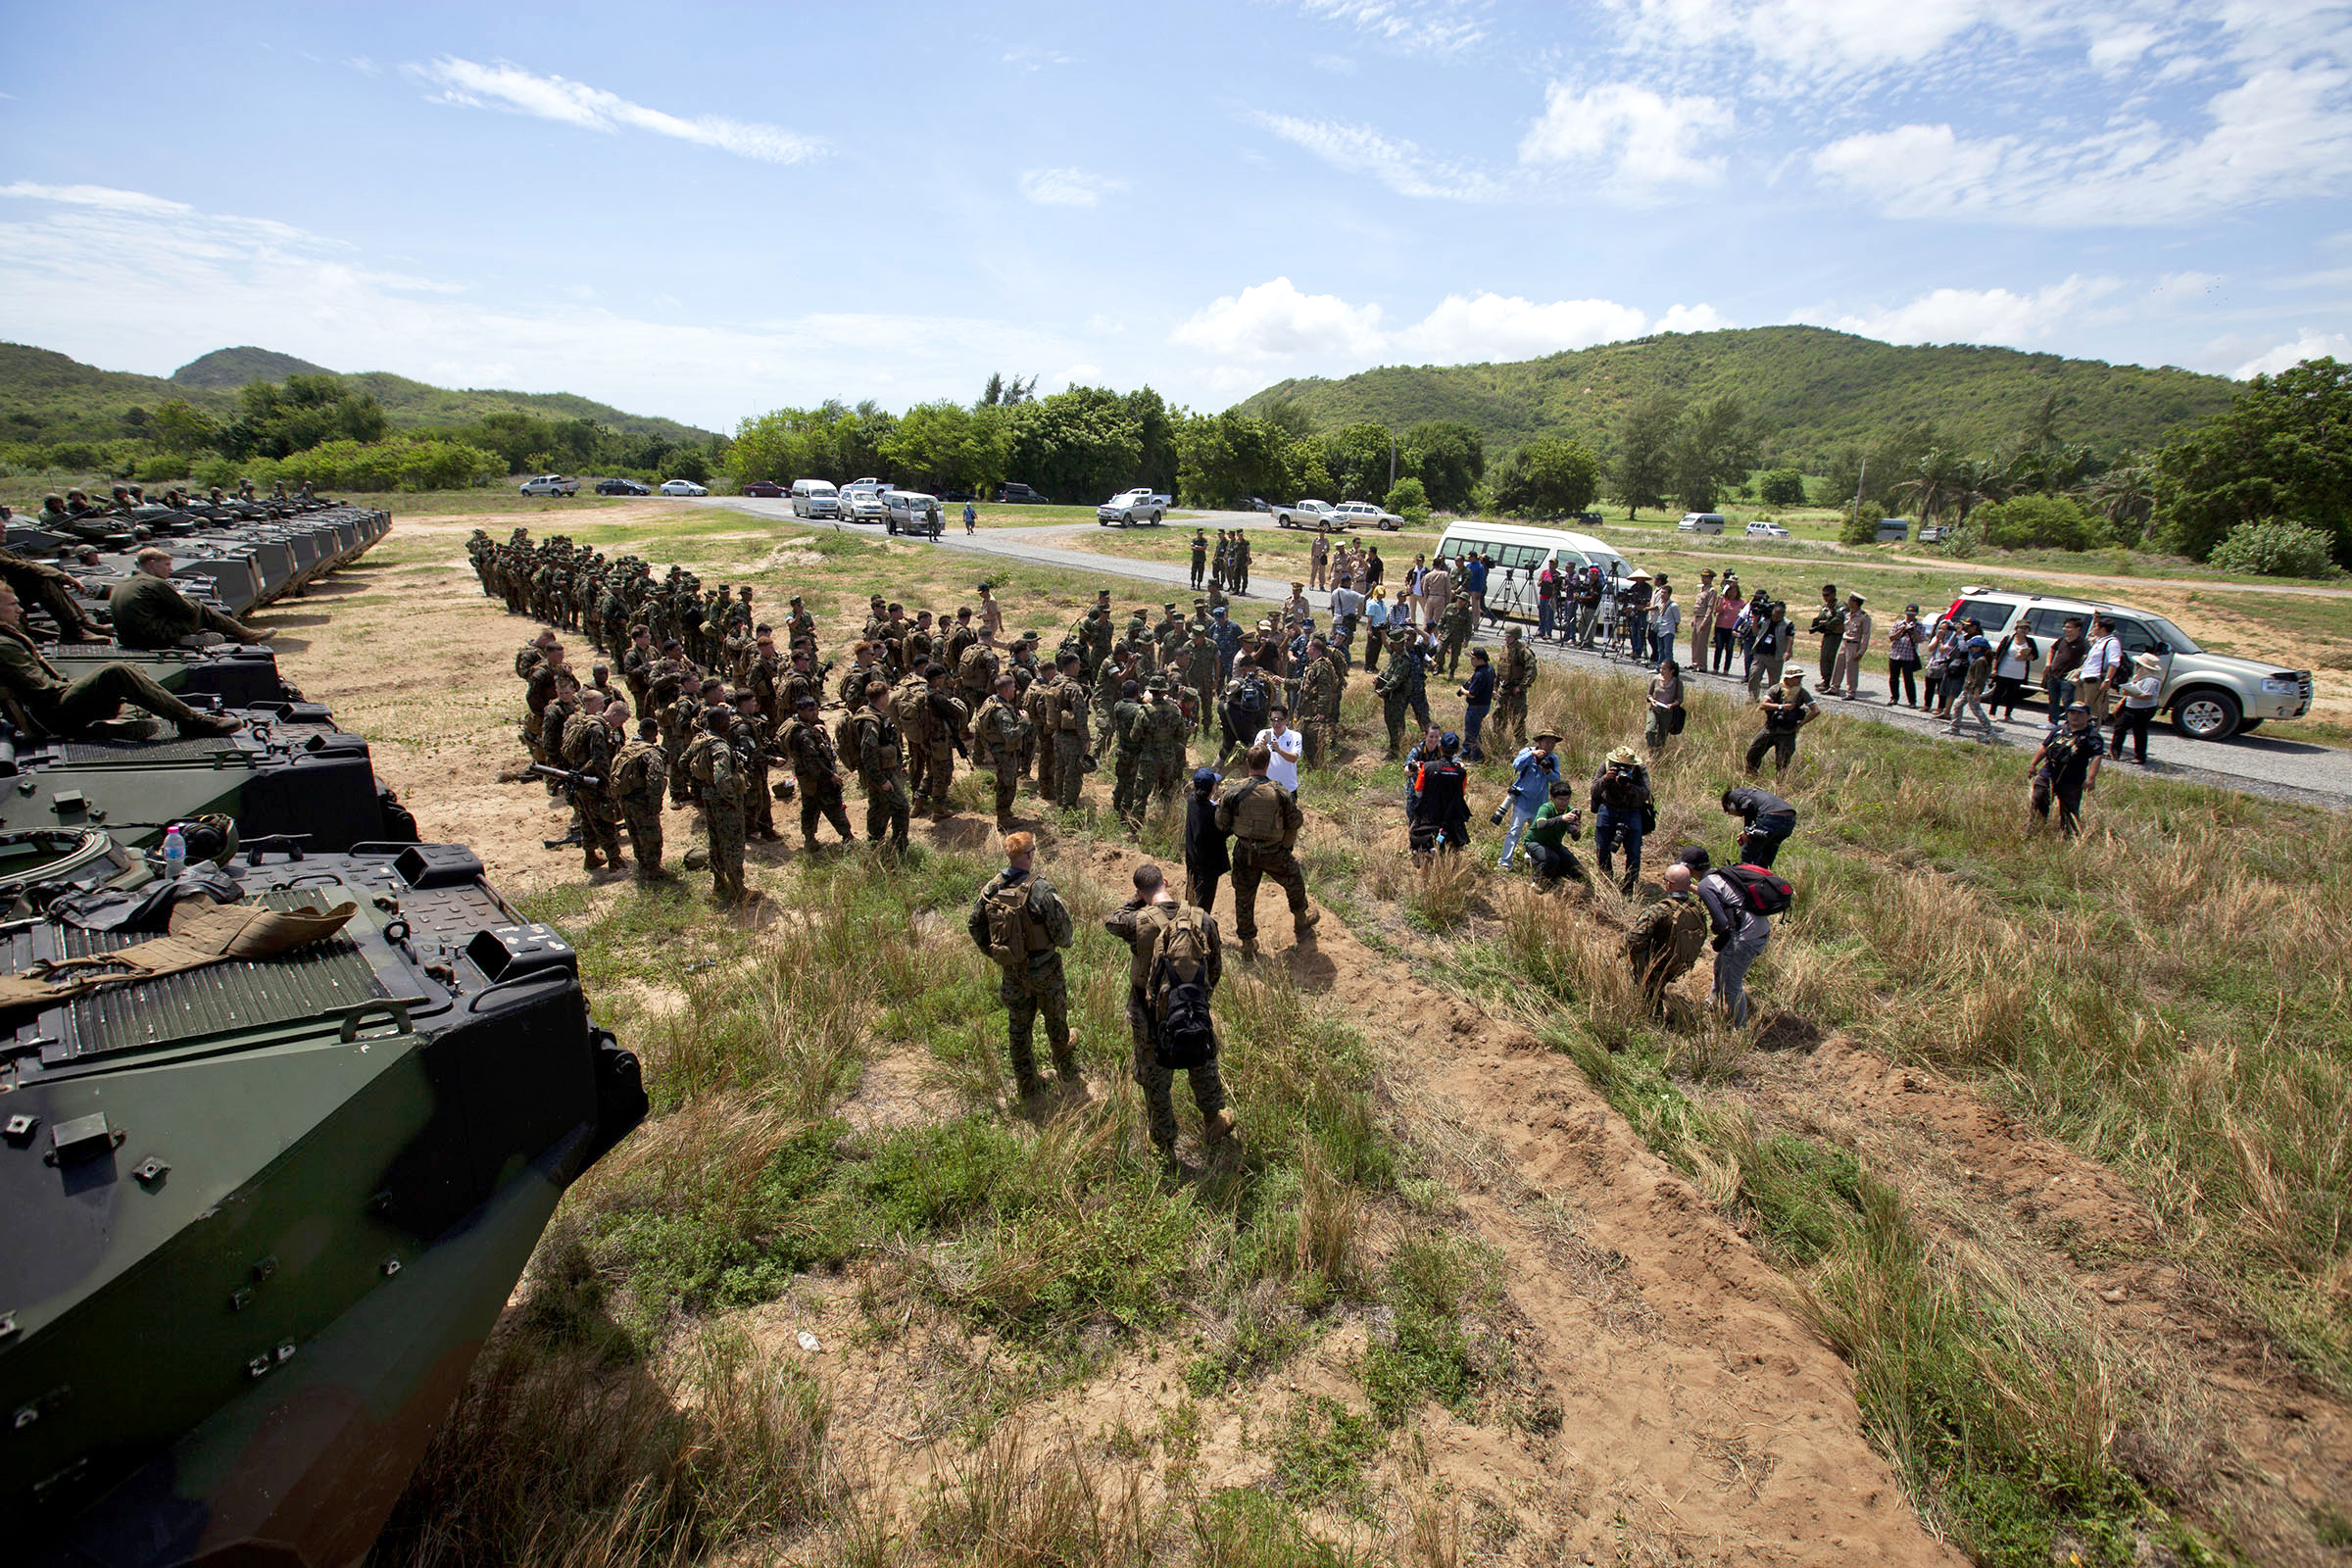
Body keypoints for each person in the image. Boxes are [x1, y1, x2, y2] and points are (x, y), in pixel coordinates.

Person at [1104, 864, 1232, 1160]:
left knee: (1155, 1078)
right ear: (1166, 881)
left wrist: (1136, 901)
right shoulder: (1203, 919)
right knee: (1203, 1061)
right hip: (1192, 1007)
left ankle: (1165, 1144)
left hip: (1148, 1013)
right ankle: (1214, 1121)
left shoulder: (1137, 922)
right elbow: (1216, 970)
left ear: (1140, 892)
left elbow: (1111, 921)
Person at [0, 586, 242, 739]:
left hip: (50, 708)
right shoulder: (3, 645)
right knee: (117, 671)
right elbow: (42, 691)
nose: (20, 608)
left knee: (131, 668)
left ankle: (116, 724)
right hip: (47, 718)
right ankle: (191, 721)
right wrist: (82, 685)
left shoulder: (7, 638)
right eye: (12, 604)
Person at [967, 832, 1083, 1103]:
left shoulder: (991, 888)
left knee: (1018, 1027)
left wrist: (997, 954)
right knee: (1055, 1014)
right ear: (1029, 854)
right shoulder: (1041, 890)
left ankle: (1027, 1083)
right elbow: (1064, 935)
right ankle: (1062, 1051)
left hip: (1012, 971)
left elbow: (974, 925)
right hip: (1045, 969)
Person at [1214, 743, 1317, 955]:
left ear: (1247, 763)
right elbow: (1295, 821)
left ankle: (1247, 944)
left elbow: (1221, 825)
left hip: (1244, 852)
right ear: (1268, 764)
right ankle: (1300, 921)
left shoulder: (1233, 792)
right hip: (1274, 852)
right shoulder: (1279, 791)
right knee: (1294, 881)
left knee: (1244, 897)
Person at [110, 548, 276, 651]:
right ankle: (244, 634)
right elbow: (188, 612)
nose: (171, 569)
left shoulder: (123, 583)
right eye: (167, 565)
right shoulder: (155, 583)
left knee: (192, 602)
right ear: (152, 563)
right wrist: (193, 600)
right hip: (154, 637)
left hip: (128, 638)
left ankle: (188, 638)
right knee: (200, 608)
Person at [683, 705, 750, 905]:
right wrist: (730, 799)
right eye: (727, 720)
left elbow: (682, 762)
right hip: (724, 802)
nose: (730, 723)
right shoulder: (720, 747)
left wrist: (701, 784)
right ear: (720, 722)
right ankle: (739, 890)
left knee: (716, 843)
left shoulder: (700, 740)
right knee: (733, 844)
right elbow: (722, 778)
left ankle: (719, 883)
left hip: (708, 797)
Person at [1695, 862, 1774, 1027]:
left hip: (1747, 938)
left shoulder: (1705, 886)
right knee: (1720, 964)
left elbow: (1721, 923)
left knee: (1732, 984)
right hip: (1755, 929)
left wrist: (1715, 934)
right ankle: (1713, 1001)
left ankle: (1741, 1028)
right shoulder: (1718, 876)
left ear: (1690, 869)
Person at [1628, 864, 1710, 1013]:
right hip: (1681, 963)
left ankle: (1652, 1016)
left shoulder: (1659, 910)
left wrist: (1638, 962)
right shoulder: (1697, 909)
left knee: (1649, 994)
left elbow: (1634, 939)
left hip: (1659, 963)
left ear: (1668, 884)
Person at [782, 693, 858, 851]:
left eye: (815, 709)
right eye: (810, 710)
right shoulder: (803, 735)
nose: (814, 713)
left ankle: (809, 838)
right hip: (818, 778)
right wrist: (830, 775)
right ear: (800, 711)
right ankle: (847, 836)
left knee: (809, 807)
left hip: (806, 777)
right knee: (833, 806)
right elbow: (813, 761)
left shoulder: (798, 725)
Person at [2031, 702, 2105, 835]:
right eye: (2072, 713)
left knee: (2069, 809)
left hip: (2072, 777)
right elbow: (2044, 747)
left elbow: (2096, 757)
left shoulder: (2092, 736)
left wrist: (2091, 778)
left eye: (2080, 714)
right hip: (2049, 771)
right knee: (2039, 798)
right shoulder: (2058, 730)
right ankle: (2035, 829)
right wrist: (2033, 765)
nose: (2075, 716)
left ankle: (2068, 835)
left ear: (2088, 717)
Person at [612, 713, 669, 879]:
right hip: (641, 800)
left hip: (625, 798)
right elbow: (655, 779)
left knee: (635, 833)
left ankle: (642, 865)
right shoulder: (651, 754)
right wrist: (654, 805)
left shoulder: (627, 749)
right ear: (655, 733)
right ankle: (653, 869)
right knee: (651, 836)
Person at [1496, 729, 1562, 870]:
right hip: (1522, 801)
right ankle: (1505, 862)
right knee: (1514, 832)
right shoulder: (1527, 752)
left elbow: (1556, 780)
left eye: (1552, 743)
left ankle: (1532, 858)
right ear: (1539, 742)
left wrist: (1548, 771)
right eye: (1547, 742)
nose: (1550, 745)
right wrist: (1532, 755)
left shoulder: (1553, 759)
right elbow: (1516, 765)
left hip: (1539, 804)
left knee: (1536, 835)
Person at [1590, 745, 1651, 893]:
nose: (1623, 768)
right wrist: (1606, 779)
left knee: (1634, 851)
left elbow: (1646, 793)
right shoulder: (1606, 766)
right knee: (1602, 847)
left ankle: (1630, 886)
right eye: (1620, 765)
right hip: (1608, 808)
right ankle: (1606, 880)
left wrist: (1631, 788)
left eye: (1627, 766)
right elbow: (1593, 790)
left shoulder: (1639, 769)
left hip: (1632, 810)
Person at [1408, 732, 1471, 854]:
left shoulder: (1427, 768)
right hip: (1451, 819)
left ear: (1440, 747)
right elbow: (1461, 794)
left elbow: (1418, 793)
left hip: (1429, 817)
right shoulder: (1461, 772)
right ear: (1457, 750)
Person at [1745, 668, 1816, 775]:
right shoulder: (1776, 688)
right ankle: (1751, 776)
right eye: (1796, 677)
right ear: (1788, 678)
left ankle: (1779, 785)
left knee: (1783, 763)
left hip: (1787, 733)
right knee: (1753, 753)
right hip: (1770, 729)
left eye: (1801, 677)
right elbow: (1763, 705)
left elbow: (1816, 710)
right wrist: (1781, 707)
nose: (1799, 680)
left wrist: (1800, 724)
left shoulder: (1802, 692)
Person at [1521, 781, 1586, 885]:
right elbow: (1541, 825)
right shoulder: (1546, 808)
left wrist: (1576, 832)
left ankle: (1552, 874)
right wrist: (1562, 818)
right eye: (1560, 799)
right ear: (1553, 798)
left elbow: (1575, 838)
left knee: (1577, 871)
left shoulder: (1570, 811)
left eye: (1566, 799)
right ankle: (1537, 881)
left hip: (1554, 845)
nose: (1564, 803)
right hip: (1534, 843)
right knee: (1552, 859)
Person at [1184, 767, 1230, 909]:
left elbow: (1207, 804)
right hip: (1208, 867)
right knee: (1203, 907)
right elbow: (1224, 831)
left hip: (1193, 860)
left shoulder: (1192, 800)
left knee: (1190, 898)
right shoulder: (1212, 813)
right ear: (1212, 787)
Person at [1945, 618, 1996, 742]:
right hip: (1968, 688)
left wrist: (1977, 692)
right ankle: (1954, 727)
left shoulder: (1980, 661)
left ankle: (1990, 732)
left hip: (1973, 690)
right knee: (1957, 706)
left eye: (1973, 647)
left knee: (1977, 712)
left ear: (1981, 648)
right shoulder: (1981, 659)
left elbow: (1979, 678)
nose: (1971, 649)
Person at [1722, 784, 1797, 866]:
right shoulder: (1754, 798)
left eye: (1729, 812)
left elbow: (1748, 804)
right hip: (1789, 819)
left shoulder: (1734, 794)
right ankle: (1761, 875)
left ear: (1729, 806)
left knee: (1748, 852)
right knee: (1766, 855)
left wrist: (1746, 830)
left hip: (1771, 816)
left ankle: (1745, 874)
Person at [2110, 652, 2163, 764]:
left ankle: (2139, 757)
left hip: (2142, 710)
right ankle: (2115, 753)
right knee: (2121, 728)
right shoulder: (2140, 677)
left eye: (2138, 664)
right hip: (2133, 707)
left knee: (2138, 731)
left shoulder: (2150, 680)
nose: (2136, 666)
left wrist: (2130, 694)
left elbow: (2147, 695)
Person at [2079, 615, 2126, 723]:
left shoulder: (2112, 643)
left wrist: (2107, 680)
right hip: (2086, 678)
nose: (2093, 628)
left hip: (2095, 680)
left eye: (2095, 626)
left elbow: (2113, 663)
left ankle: (2092, 732)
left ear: (2103, 629)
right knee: (2083, 707)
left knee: (2093, 709)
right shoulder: (2100, 641)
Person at [2041, 615, 2088, 715]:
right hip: (2054, 674)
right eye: (2065, 627)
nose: (2065, 629)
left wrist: (2079, 670)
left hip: (2068, 677)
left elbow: (2087, 657)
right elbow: (2052, 650)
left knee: (2068, 701)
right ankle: (2052, 721)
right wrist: (2048, 664)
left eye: (2069, 627)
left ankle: (2069, 723)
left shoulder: (2083, 642)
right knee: (2053, 700)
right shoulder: (2062, 639)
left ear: (2078, 629)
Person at [1992, 624, 2040, 719]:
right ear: (2016, 629)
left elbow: (2035, 656)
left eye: (2026, 629)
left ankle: (2008, 714)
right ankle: (1992, 712)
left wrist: (2025, 656)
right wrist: (1994, 669)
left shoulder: (2030, 641)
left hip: (2019, 672)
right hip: (2004, 670)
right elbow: (1998, 654)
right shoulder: (2009, 639)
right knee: (1998, 692)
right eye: (2021, 628)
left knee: (2013, 694)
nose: (2023, 630)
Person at [1830, 593, 1871, 699]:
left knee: (1851, 669)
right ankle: (1834, 688)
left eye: (1850, 600)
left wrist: (1861, 651)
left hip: (1854, 645)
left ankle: (1851, 692)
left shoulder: (1864, 617)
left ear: (1855, 602)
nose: (1848, 602)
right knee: (1838, 666)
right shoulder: (1847, 614)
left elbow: (1865, 635)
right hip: (1844, 642)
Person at [1254, 704, 1303, 791]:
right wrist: (1261, 747)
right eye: (1273, 720)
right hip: (1267, 787)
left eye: (1279, 720)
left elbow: (1294, 758)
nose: (1276, 723)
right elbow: (1254, 759)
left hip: (1288, 787)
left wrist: (1279, 750)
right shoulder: (1263, 734)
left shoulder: (1295, 736)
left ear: (1286, 720)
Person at [1458, 647, 1494, 761]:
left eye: (1473, 659)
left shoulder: (1479, 674)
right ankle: (1471, 753)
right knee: (1477, 731)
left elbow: (1472, 694)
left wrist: (1462, 690)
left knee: (1471, 733)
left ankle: (1472, 757)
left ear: (1480, 660)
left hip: (1476, 707)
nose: (1471, 661)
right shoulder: (1490, 668)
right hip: (1485, 705)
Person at [1885, 604, 1924, 708]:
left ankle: (1912, 701)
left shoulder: (1919, 626)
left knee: (1909, 679)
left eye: (1912, 614)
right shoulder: (1898, 624)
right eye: (1908, 614)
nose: (1910, 616)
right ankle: (1894, 697)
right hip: (1895, 654)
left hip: (1909, 656)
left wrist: (1913, 632)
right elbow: (1891, 638)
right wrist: (1901, 630)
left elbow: (1920, 640)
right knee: (1893, 678)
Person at [1809, 584, 1845, 686]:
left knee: (1830, 657)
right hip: (1828, 634)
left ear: (1834, 594)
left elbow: (1840, 618)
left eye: (1827, 595)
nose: (1825, 597)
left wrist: (1827, 623)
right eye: (1823, 595)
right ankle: (1825, 679)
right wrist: (1816, 624)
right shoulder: (1826, 606)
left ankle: (1830, 681)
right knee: (1824, 657)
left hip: (1836, 635)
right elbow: (1821, 616)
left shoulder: (1840, 605)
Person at [1644, 659, 1684, 752]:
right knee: (1650, 730)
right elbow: (1648, 695)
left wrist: (1672, 705)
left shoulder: (1677, 682)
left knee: (1662, 735)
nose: (1661, 671)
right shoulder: (1655, 679)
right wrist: (1652, 700)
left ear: (1672, 671)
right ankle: (1651, 749)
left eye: (1664, 669)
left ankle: (1658, 754)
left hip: (1667, 712)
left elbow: (1679, 699)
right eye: (1661, 668)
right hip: (1654, 709)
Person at [1712, 578, 1743, 674]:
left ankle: (1726, 669)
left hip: (1732, 629)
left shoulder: (1741, 602)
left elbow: (1744, 615)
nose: (1732, 593)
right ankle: (1715, 668)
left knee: (1729, 649)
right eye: (1730, 591)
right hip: (1720, 627)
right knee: (1719, 647)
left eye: (1734, 591)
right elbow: (1718, 610)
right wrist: (1721, 599)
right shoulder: (1723, 599)